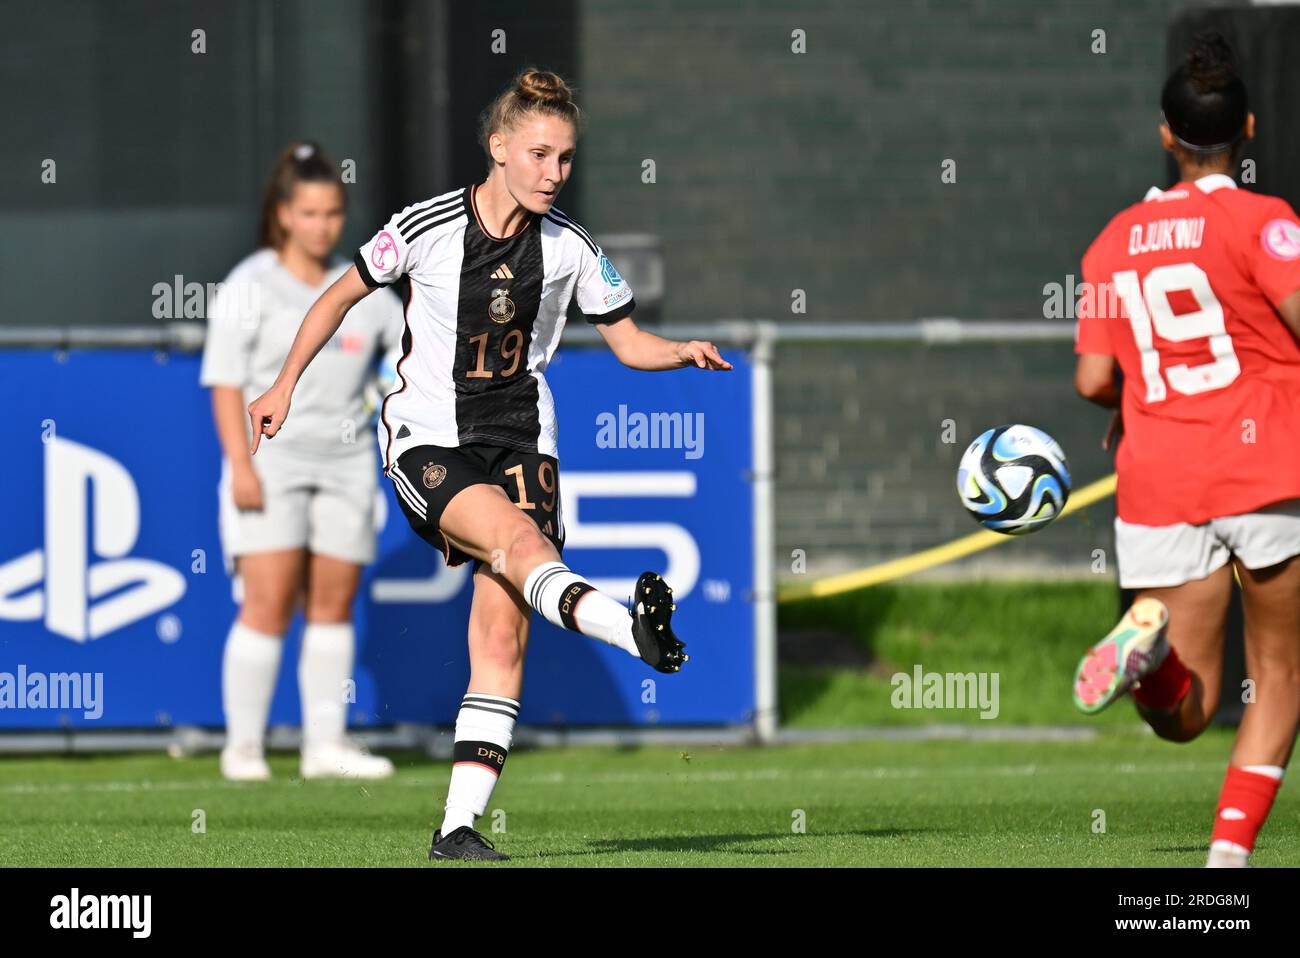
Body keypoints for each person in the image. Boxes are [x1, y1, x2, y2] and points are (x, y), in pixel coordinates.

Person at [246, 70, 732, 859]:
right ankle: (630, 631)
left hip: (523, 440)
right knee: (517, 543)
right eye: (540, 154)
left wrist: (678, 352)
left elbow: (628, 340)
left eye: (566, 159)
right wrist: (281, 385)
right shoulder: (426, 227)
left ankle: (457, 829)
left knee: (501, 639)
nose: (554, 173)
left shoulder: (570, 249)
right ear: (498, 147)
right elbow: (339, 296)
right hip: (430, 438)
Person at [1071, 33, 1300, 867]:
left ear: (1166, 135)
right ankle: (1228, 860)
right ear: (1246, 128)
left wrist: (1137, 400)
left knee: (1186, 713)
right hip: (1268, 466)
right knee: (1278, 674)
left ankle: (1151, 655)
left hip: (1161, 478)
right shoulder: (1266, 220)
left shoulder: (1112, 240)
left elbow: (1095, 378)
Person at [201, 142, 403, 782]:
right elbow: (225, 382)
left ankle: (324, 747)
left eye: (334, 213)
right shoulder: (248, 283)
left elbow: (407, 363)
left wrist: (376, 404)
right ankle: (245, 749)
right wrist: (242, 464)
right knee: (265, 603)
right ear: (284, 214)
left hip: (346, 466)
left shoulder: (365, 289)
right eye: (310, 213)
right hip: (271, 462)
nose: (324, 226)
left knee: (332, 606)